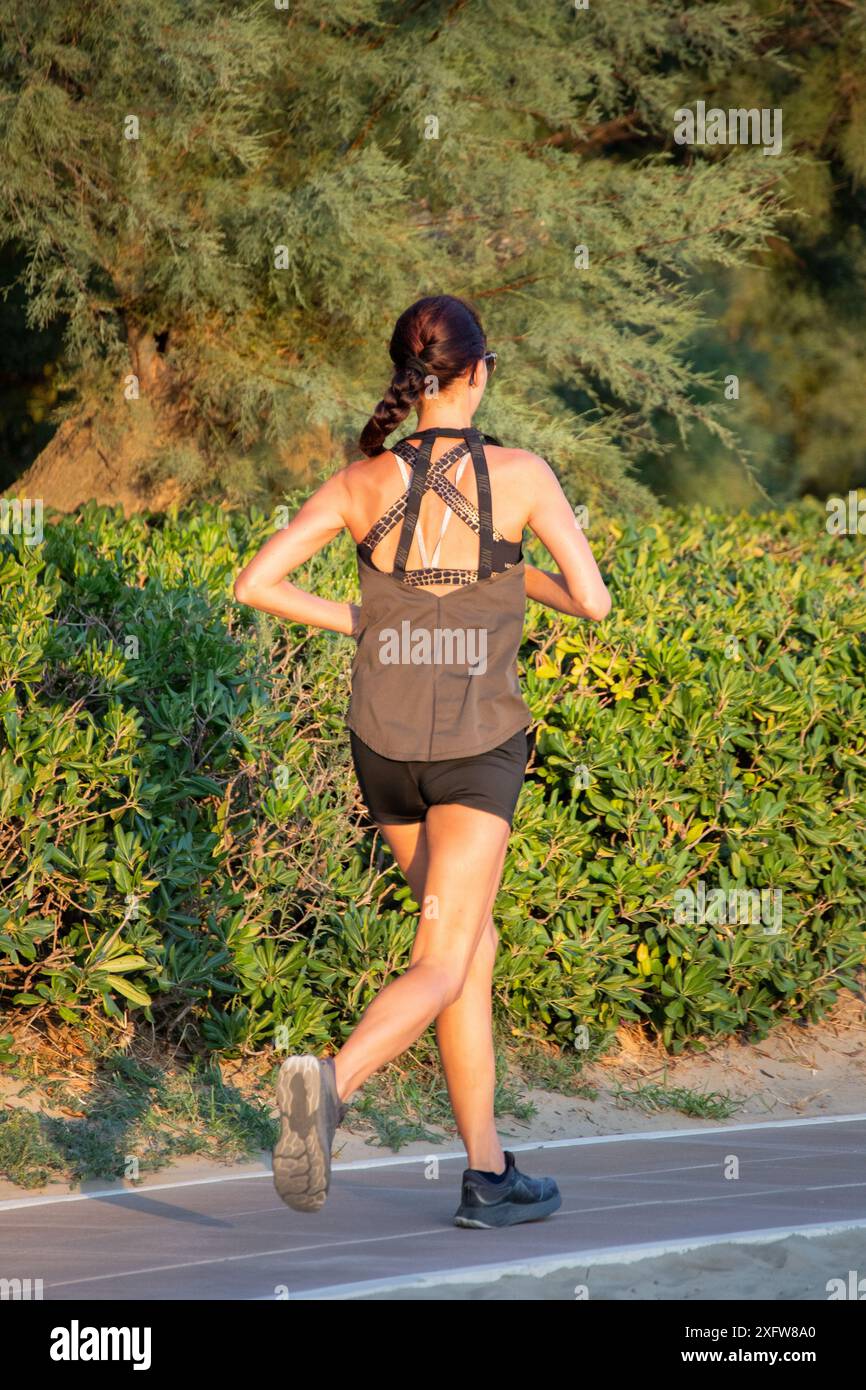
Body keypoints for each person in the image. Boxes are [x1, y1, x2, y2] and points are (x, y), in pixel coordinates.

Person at [233, 294, 611, 1228]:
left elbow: (256, 585)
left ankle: (487, 1175)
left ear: (412, 374)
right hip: (476, 748)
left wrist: (364, 619)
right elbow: (593, 603)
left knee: (467, 946)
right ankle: (329, 1084)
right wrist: (516, 572)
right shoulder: (520, 474)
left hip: (385, 751)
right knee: (444, 956)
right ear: (480, 371)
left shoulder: (361, 480)